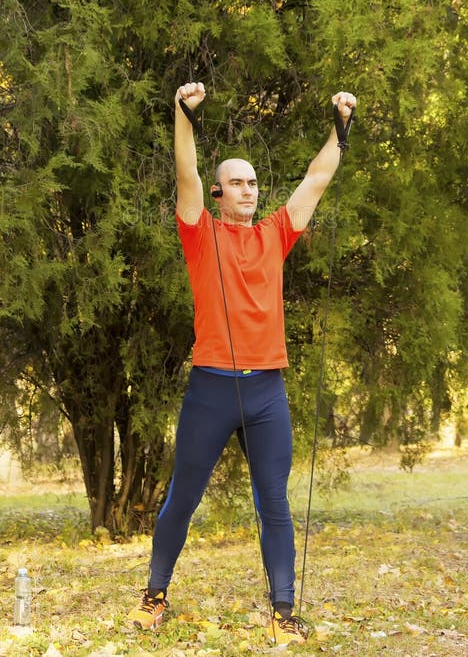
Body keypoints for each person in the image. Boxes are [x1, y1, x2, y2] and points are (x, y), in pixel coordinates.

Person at [129, 81, 356, 646]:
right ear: (218, 192)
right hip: (211, 389)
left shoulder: (275, 234)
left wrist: (340, 127)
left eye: (253, 182)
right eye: (237, 182)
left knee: (273, 501)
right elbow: (185, 173)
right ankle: (154, 596)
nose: (248, 190)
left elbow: (316, 180)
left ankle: (283, 611)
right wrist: (183, 115)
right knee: (183, 497)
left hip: (266, 392)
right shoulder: (200, 234)